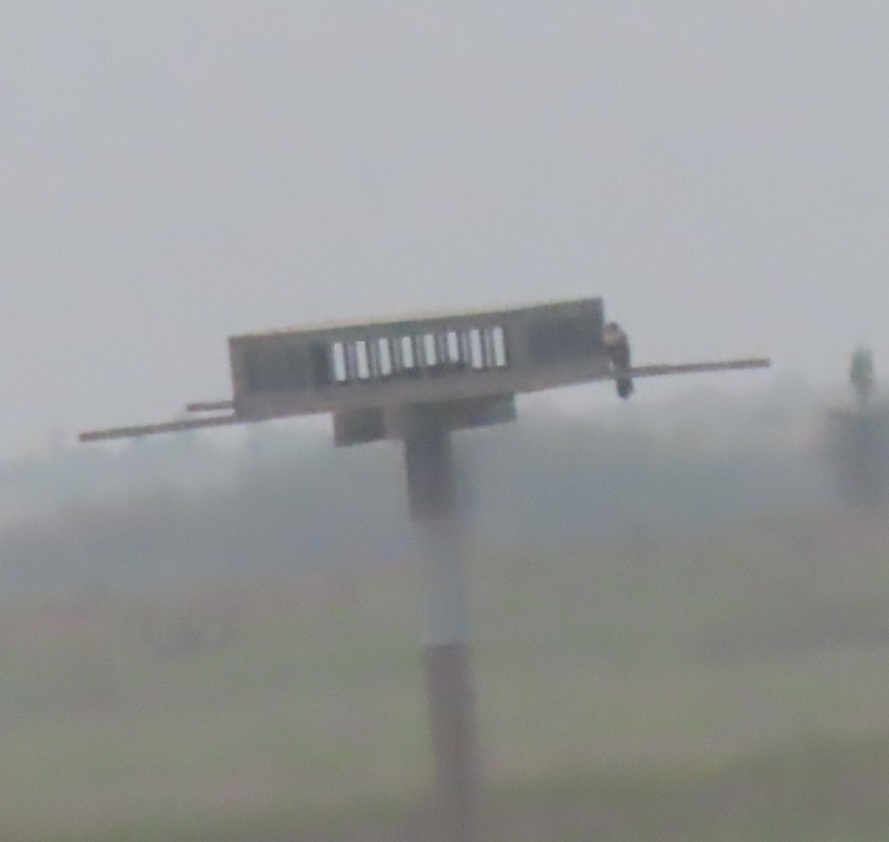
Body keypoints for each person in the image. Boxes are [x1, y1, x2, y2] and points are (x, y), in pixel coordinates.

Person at [602, 322, 634, 399]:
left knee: (623, 376)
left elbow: (624, 356)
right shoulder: (607, 340)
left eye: (609, 329)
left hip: (623, 363)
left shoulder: (620, 338)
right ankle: (624, 388)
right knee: (621, 376)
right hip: (617, 365)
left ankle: (625, 387)